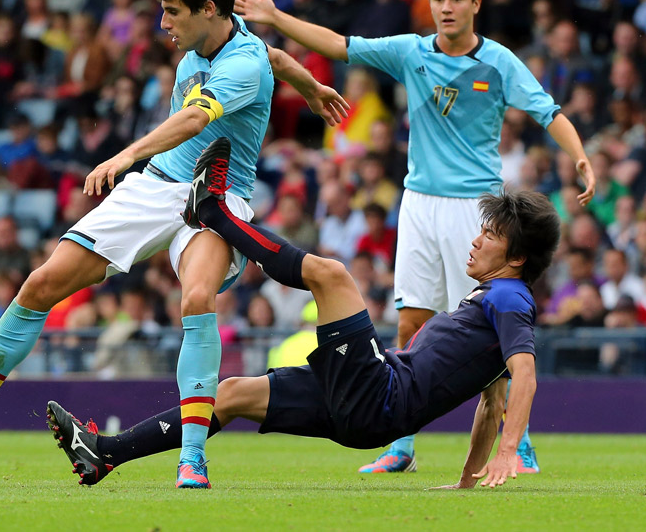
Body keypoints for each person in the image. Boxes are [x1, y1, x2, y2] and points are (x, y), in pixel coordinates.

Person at [0, 0, 348, 488]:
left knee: (197, 297)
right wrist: (311, 86)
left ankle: (192, 456)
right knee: (42, 282)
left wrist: (123, 155)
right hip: (157, 186)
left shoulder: (242, 64)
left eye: (173, 13)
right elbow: (277, 57)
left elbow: (191, 118)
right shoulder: (229, 37)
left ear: (208, 9)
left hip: (218, 195)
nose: (164, 24)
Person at [234, 0, 596, 474]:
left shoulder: (498, 62)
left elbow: (549, 113)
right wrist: (275, 17)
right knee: (411, 322)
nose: (446, 8)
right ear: (429, 4)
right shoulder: (411, 51)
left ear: (475, 3)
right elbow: (338, 45)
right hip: (419, 204)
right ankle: (402, 444)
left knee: (486, 331)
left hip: (475, 206)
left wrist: (579, 154)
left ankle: (522, 439)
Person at [47, 139, 560, 490]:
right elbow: (492, 404)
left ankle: (216, 215)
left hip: (379, 395)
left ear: (515, 259)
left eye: (490, 236)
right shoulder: (491, 300)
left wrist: (508, 451)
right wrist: (470, 482)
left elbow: (525, 375)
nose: (475, 241)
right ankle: (104, 453)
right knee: (228, 395)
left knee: (331, 276)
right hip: (365, 407)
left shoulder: (511, 299)